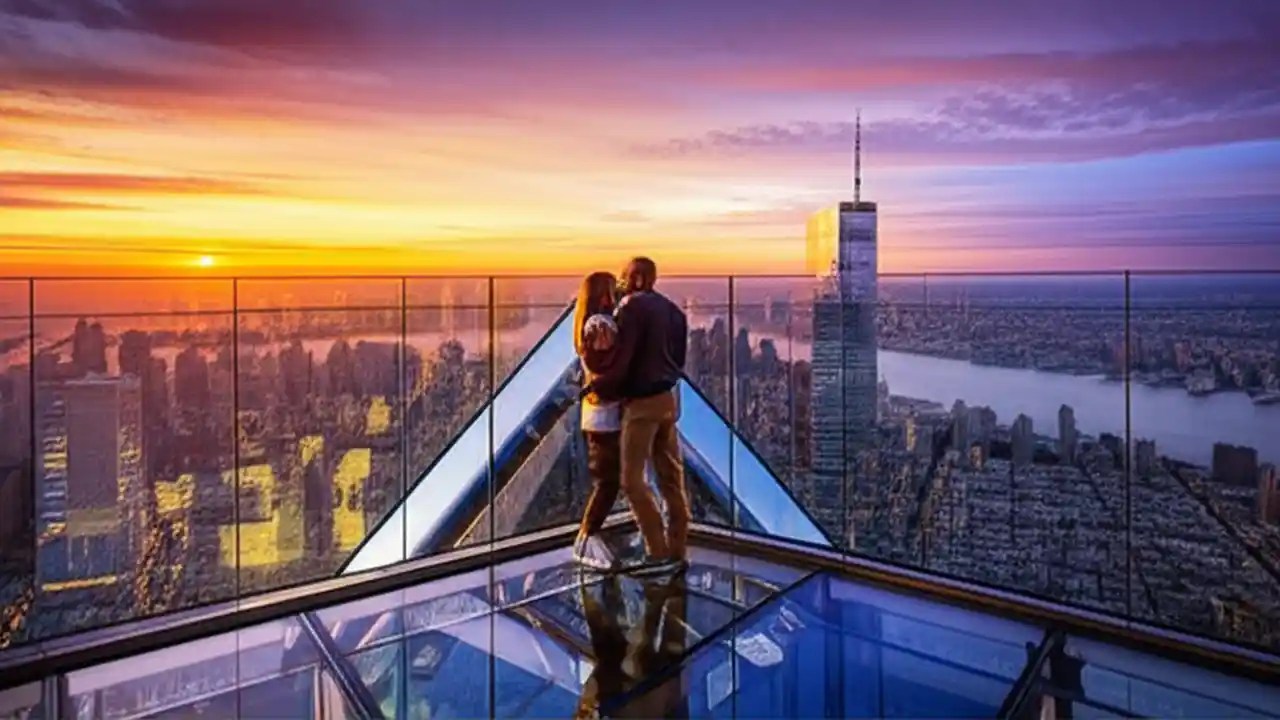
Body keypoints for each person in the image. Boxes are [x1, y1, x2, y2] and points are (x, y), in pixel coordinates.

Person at [588, 257, 690, 573]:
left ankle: (656, 553)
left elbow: (621, 358)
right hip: (667, 399)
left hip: (642, 403)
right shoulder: (672, 310)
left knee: (632, 480)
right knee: (671, 477)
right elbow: (678, 355)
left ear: (637, 278)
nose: (622, 282)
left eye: (626, 276)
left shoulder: (630, 308)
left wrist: (600, 385)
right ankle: (677, 549)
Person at [573, 271, 624, 570]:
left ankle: (590, 535)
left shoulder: (588, 323)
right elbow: (606, 364)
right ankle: (586, 538)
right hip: (603, 415)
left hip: (598, 414)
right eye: (609, 289)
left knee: (608, 480)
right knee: (607, 482)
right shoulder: (600, 325)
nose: (613, 295)